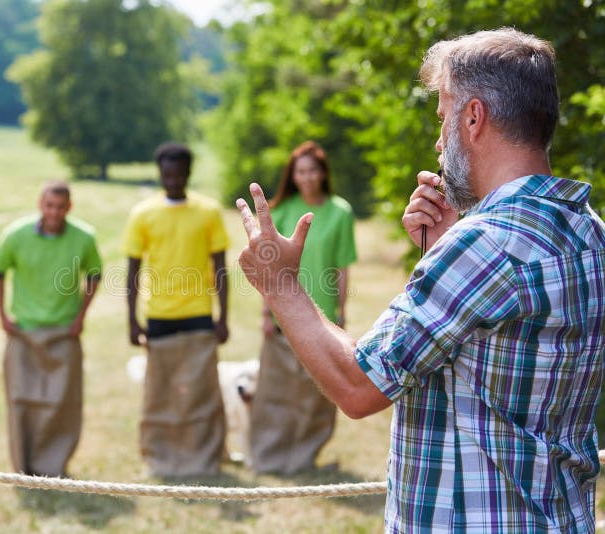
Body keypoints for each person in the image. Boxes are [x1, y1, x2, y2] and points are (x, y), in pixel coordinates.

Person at [236, 28, 605, 532]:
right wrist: (444, 246)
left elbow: (357, 386)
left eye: (443, 116)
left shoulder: (484, 246)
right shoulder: (588, 229)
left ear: (473, 117)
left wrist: (279, 283)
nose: (438, 140)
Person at [250, 140, 356, 474]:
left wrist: (340, 312)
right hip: (282, 313)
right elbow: (268, 268)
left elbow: (341, 268)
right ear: (292, 176)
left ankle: (305, 456)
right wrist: (266, 313)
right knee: (277, 391)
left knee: (317, 393)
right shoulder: (280, 210)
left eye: (313, 170)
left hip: (321, 313)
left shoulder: (340, 212)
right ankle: (270, 456)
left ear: (323, 173)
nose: (307, 177)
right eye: (301, 171)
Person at [124, 142, 229, 477]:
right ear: (160, 174)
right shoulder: (143, 214)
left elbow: (221, 268)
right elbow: (132, 272)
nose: (173, 180)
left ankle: (205, 454)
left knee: (202, 391)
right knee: (160, 392)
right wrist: (131, 319)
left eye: (179, 174)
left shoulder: (208, 212)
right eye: (167, 175)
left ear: (188, 173)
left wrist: (223, 316)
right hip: (159, 316)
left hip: (199, 314)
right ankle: (161, 454)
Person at [0, 180, 102, 478]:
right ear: (40, 204)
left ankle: (54, 466)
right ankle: (22, 467)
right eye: (49, 205)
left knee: (61, 402)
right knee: (20, 399)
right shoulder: (15, 235)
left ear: (69, 207)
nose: (54, 212)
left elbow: (94, 275)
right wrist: (2, 316)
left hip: (64, 331)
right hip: (23, 332)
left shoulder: (84, 238)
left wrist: (81, 317)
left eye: (61, 207)